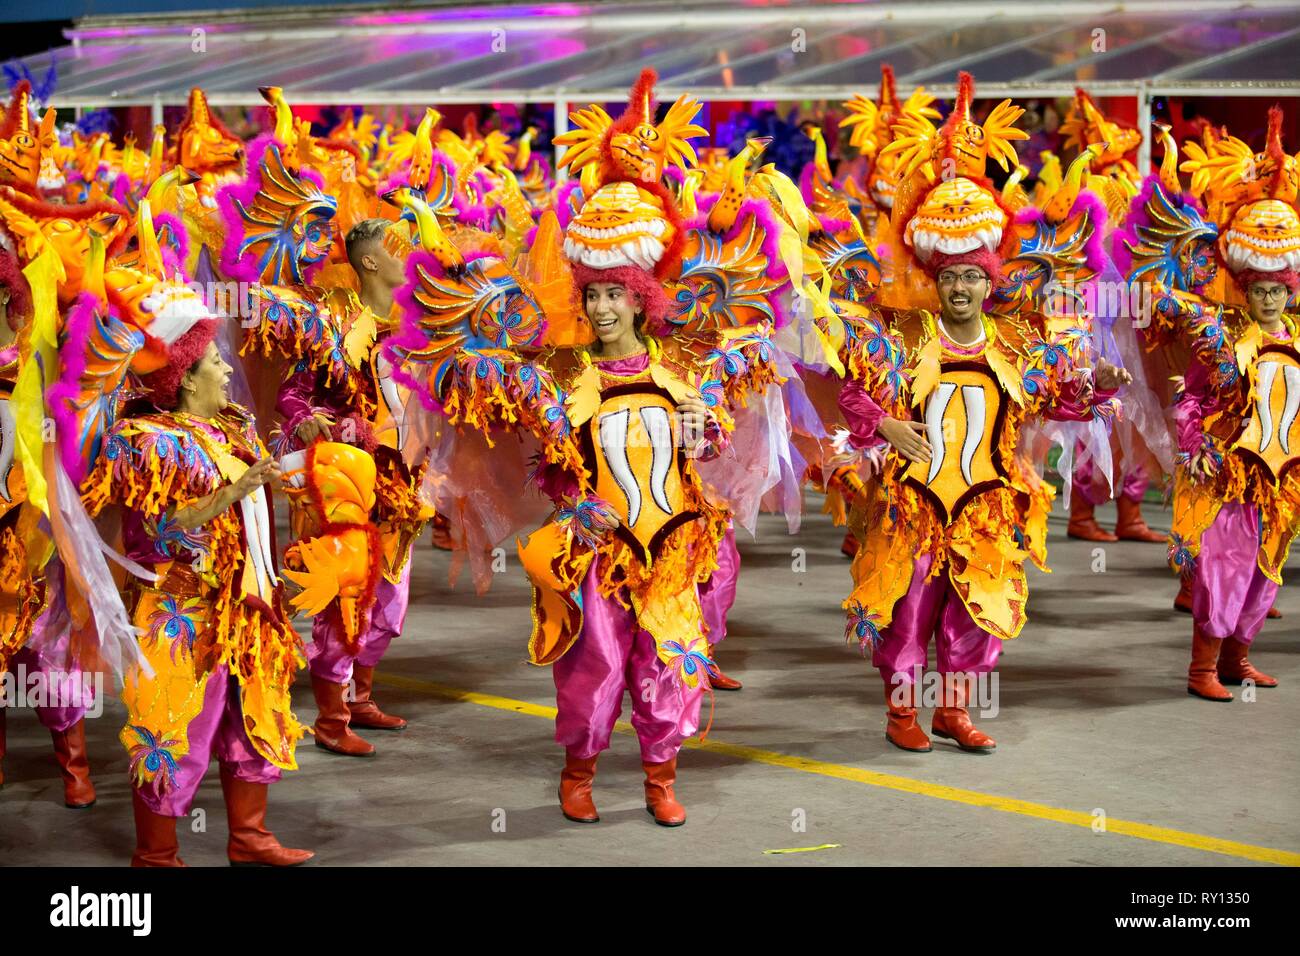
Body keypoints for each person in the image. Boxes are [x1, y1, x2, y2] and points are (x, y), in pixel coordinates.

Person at [839, 73, 1129, 754]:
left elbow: (1052, 400)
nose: (962, 287)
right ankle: (903, 715)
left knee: (978, 612)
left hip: (989, 504)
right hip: (912, 505)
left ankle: (955, 711)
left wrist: (1100, 389)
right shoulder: (903, 339)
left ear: (988, 279)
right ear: (932, 278)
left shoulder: (1014, 342)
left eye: (973, 276)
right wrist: (884, 425)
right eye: (950, 277)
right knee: (907, 616)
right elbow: (854, 395)